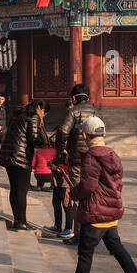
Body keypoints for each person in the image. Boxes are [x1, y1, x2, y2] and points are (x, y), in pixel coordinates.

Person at [54, 116, 137, 273]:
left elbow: (88, 186)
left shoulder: (92, 157)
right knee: (117, 248)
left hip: (96, 212)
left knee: (85, 251)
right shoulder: (112, 155)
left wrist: (73, 193)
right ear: (104, 133)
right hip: (110, 211)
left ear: (84, 135)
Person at [53, 83, 97, 241]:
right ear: (88, 96)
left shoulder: (74, 111)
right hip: (91, 157)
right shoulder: (94, 111)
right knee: (89, 193)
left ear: (73, 98)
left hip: (76, 158)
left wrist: (60, 148)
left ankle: (79, 234)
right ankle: (89, 231)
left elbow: (64, 131)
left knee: (77, 195)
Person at [0, 99, 43, 230]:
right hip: (21, 158)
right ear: (41, 109)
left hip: (8, 155)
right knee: (22, 190)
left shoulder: (17, 115)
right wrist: (44, 142)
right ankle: (22, 221)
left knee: (14, 189)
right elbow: (34, 137)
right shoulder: (33, 117)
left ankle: (17, 219)